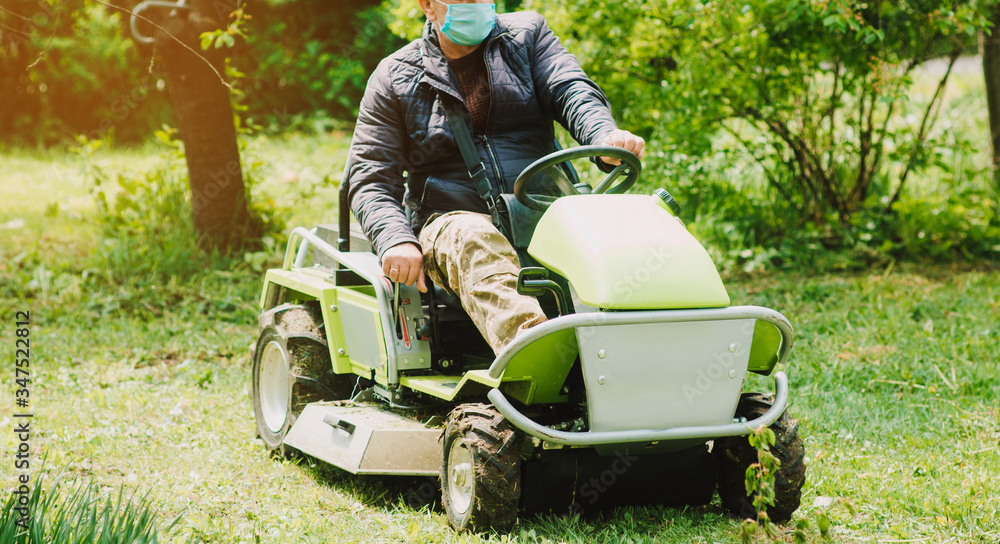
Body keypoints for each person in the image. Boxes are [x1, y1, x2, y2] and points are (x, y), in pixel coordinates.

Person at [346, 0, 645, 354]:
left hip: (542, 208)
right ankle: (536, 353)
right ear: (428, 5)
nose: (477, 4)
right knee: (474, 236)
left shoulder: (528, 36)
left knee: (639, 222)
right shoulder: (395, 76)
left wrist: (603, 135)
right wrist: (395, 239)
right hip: (449, 222)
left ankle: (655, 341)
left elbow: (571, 90)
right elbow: (370, 179)